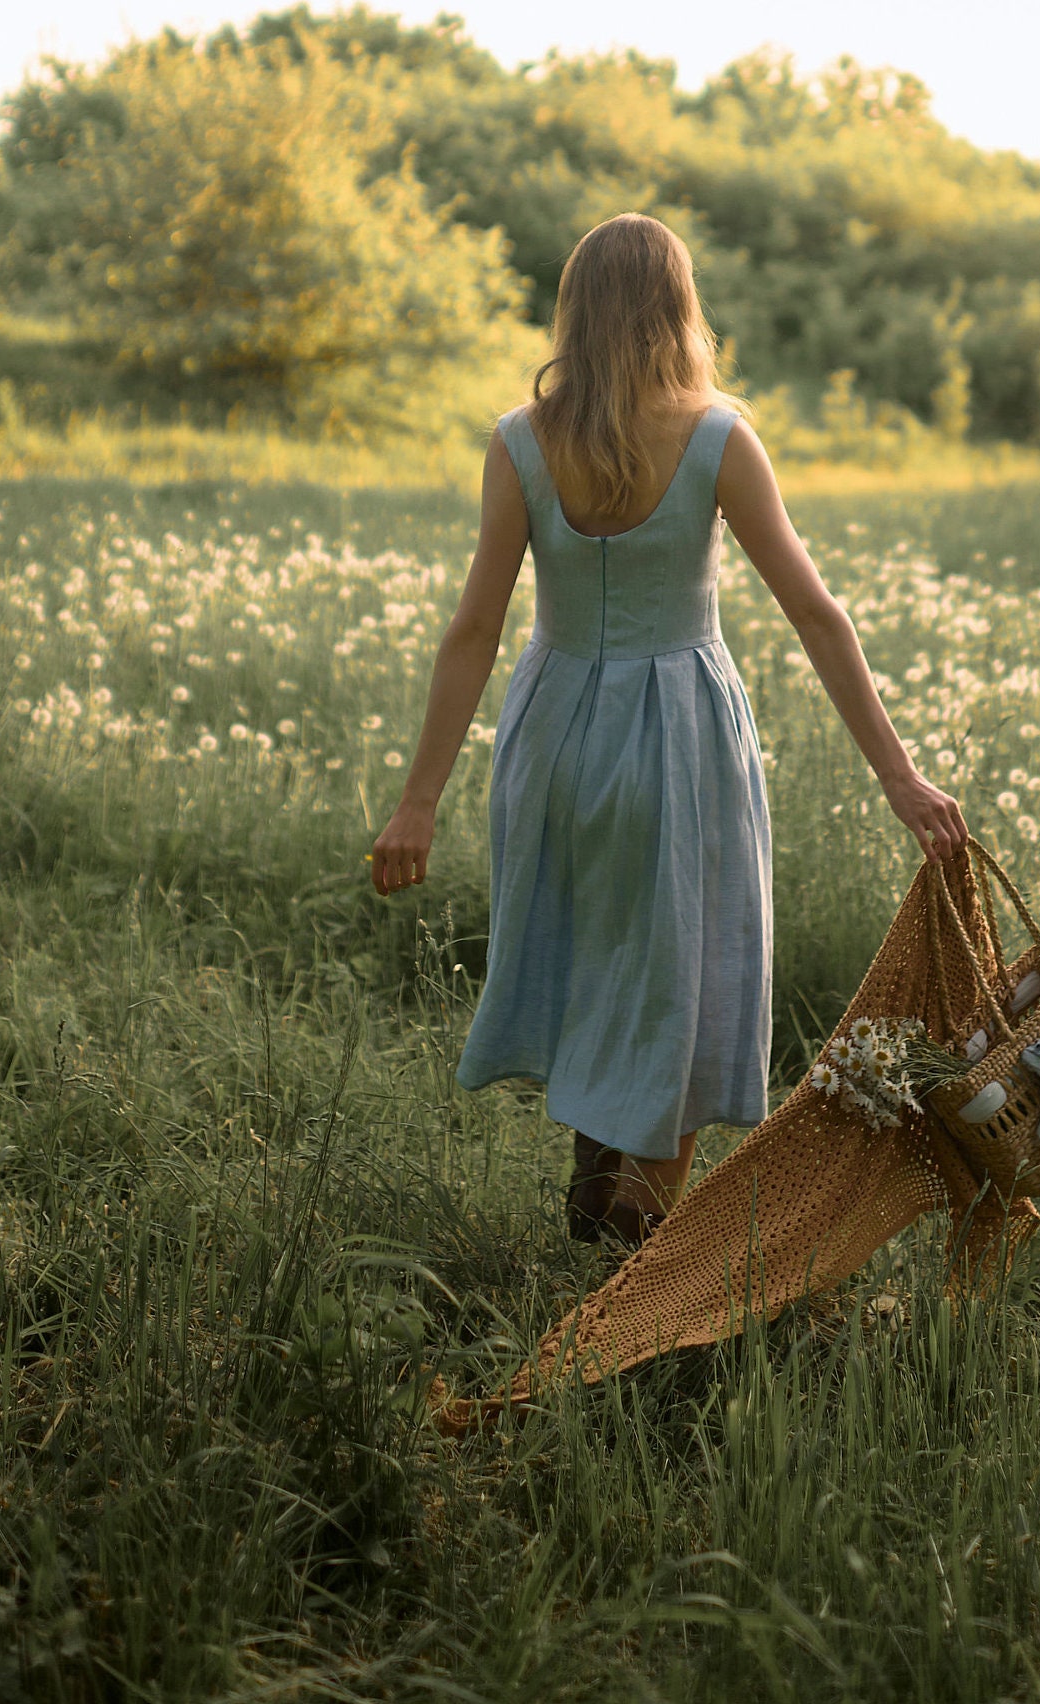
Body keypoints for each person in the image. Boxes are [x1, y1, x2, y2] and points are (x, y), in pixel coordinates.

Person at [368, 214, 968, 1251]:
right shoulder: (715, 438)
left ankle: (596, 1217)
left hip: (552, 736)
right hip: (680, 738)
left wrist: (417, 799)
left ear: (574, 311)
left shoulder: (520, 442)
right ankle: (638, 1252)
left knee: (592, 963)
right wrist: (899, 776)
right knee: (676, 983)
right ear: (676, 309)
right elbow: (816, 612)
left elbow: (473, 626)